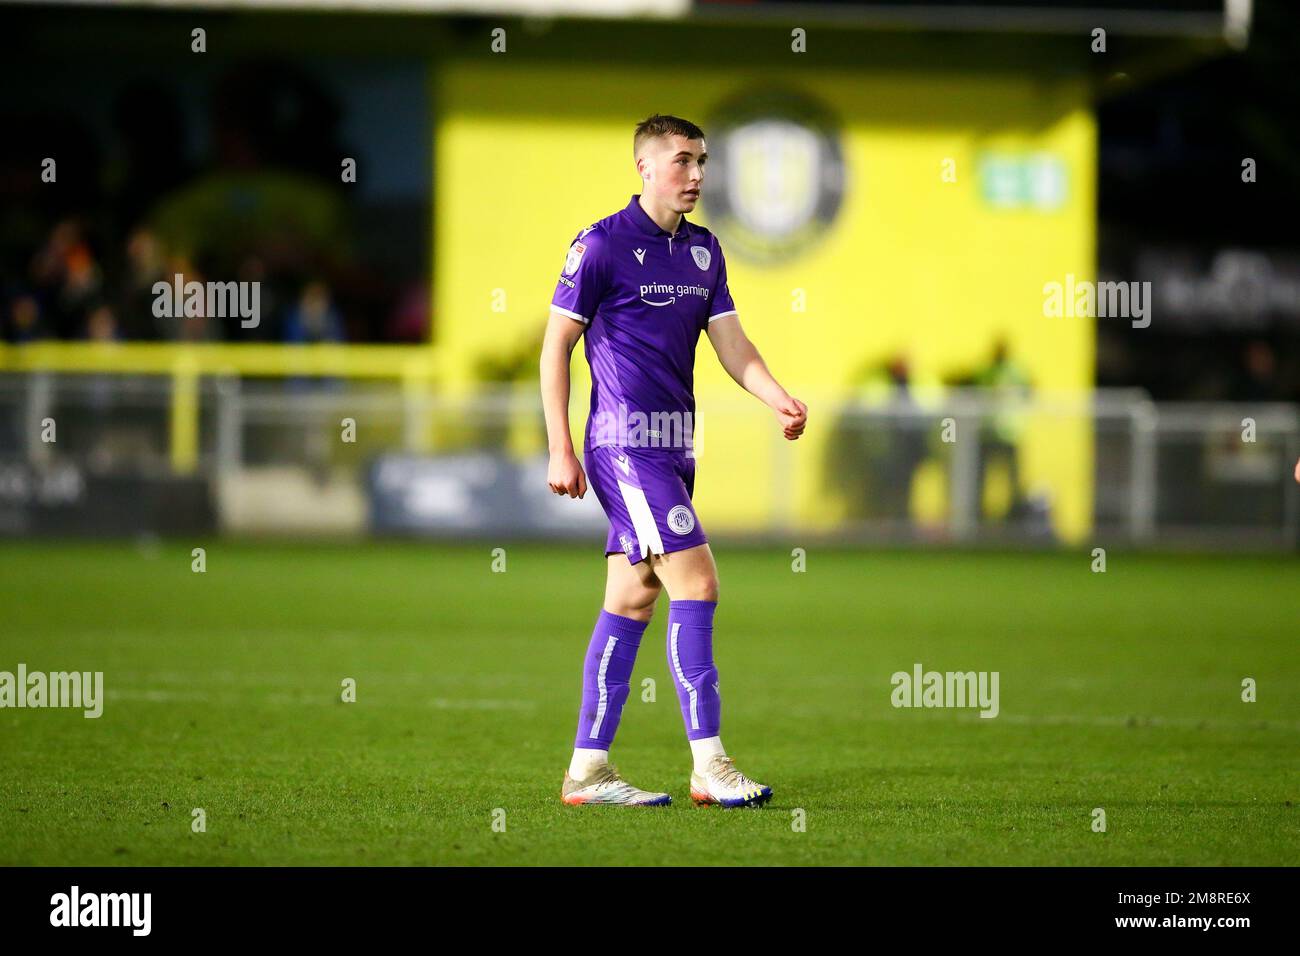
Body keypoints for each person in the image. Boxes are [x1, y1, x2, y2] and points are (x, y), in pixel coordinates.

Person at [539, 114, 807, 808]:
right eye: (683, 161)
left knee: (632, 598)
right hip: (624, 445)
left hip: (676, 449)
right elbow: (554, 347)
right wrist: (560, 446)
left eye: (702, 162)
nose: (696, 175)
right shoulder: (600, 244)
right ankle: (710, 766)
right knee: (699, 583)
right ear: (646, 167)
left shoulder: (705, 252)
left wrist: (777, 397)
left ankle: (588, 771)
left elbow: (733, 346)